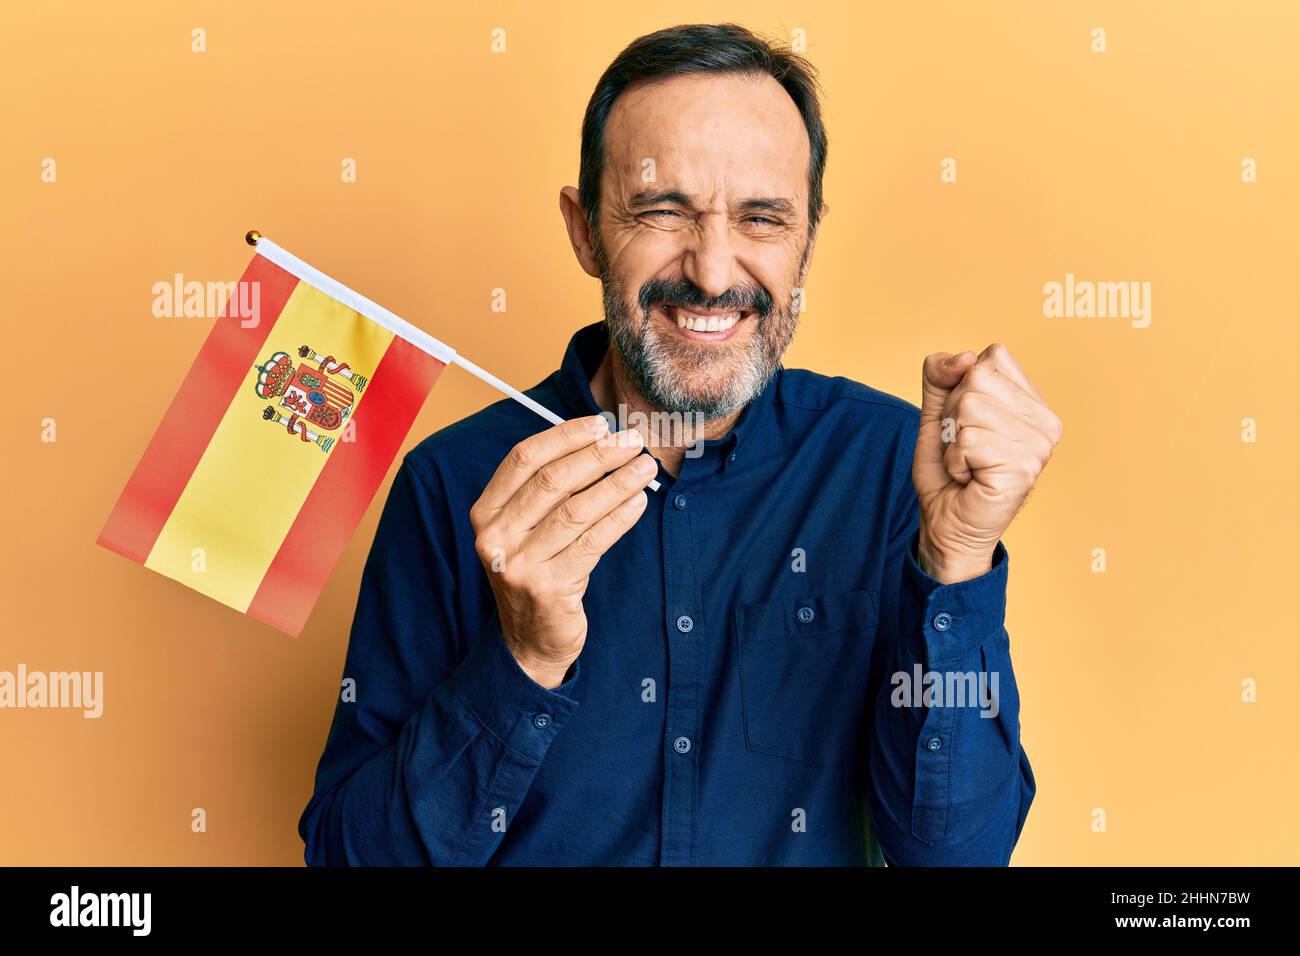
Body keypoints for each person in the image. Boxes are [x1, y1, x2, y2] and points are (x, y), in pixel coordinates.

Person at [299, 22, 1061, 866]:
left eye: (763, 218)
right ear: (585, 229)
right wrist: (521, 661)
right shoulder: (453, 485)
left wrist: (956, 556)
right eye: (664, 211)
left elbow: (957, 854)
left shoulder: (890, 467)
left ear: (808, 236)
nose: (711, 271)